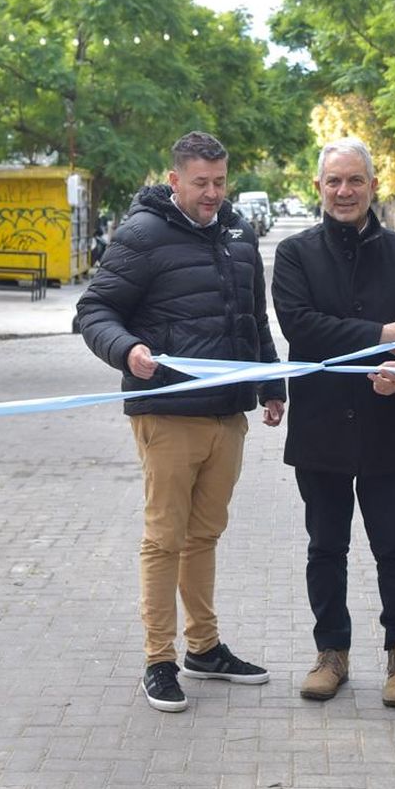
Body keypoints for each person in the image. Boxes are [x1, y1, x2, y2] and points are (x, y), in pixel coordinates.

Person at [75, 131, 286, 713]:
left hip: (228, 414)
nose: (213, 193)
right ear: (175, 181)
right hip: (166, 411)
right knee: (164, 539)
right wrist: (127, 351)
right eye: (201, 183)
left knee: (204, 534)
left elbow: (253, 318)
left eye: (220, 182)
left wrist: (272, 385)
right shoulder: (142, 235)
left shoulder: (239, 235)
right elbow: (94, 310)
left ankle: (205, 648)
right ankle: (159, 660)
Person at [271, 137, 395, 707]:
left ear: (372, 186)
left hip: (387, 424)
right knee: (326, 548)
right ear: (318, 187)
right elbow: (301, 326)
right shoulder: (294, 254)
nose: (345, 191)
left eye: (355, 181)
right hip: (320, 429)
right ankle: (331, 652)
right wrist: (378, 337)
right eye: (334, 181)